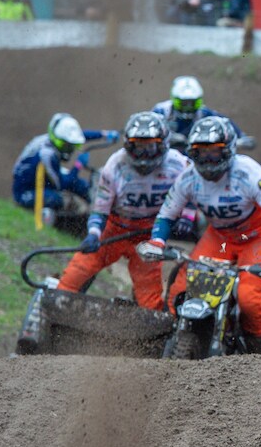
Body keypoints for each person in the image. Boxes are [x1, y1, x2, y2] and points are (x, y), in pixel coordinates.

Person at [137, 117, 261, 355]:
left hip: (258, 235)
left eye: (215, 153)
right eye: (202, 153)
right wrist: (157, 242)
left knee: (250, 300)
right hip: (220, 237)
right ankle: (169, 345)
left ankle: (260, 353)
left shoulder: (248, 172)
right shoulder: (189, 178)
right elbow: (166, 214)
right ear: (192, 153)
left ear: (229, 150)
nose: (208, 160)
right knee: (179, 289)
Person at [57, 112, 190, 309]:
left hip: (148, 235)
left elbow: (197, 188)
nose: (144, 154)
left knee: (150, 303)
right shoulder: (115, 165)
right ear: (128, 145)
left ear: (162, 144)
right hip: (114, 229)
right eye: (138, 147)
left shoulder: (178, 164)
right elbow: (100, 209)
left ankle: (148, 335)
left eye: (150, 146)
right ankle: (51, 311)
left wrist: (187, 216)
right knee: (73, 276)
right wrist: (93, 234)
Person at [12, 114, 119, 220]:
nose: (69, 149)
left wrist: (104, 134)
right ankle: (65, 223)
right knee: (60, 199)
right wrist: (78, 165)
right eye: (65, 145)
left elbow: (81, 136)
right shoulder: (47, 155)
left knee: (80, 185)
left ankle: (103, 211)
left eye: (72, 145)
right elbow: (61, 184)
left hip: (43, 181)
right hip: (26, 193)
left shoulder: (50, 139)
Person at [152, 76, 243, 147]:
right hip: (167, 154)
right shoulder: (162, 111)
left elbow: (223, 122)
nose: (188, 107)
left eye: (192, 103)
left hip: (197, 156)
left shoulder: (204, 113)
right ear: (175, 99)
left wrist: (241, 136)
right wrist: (169, 137)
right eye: (184, 103)